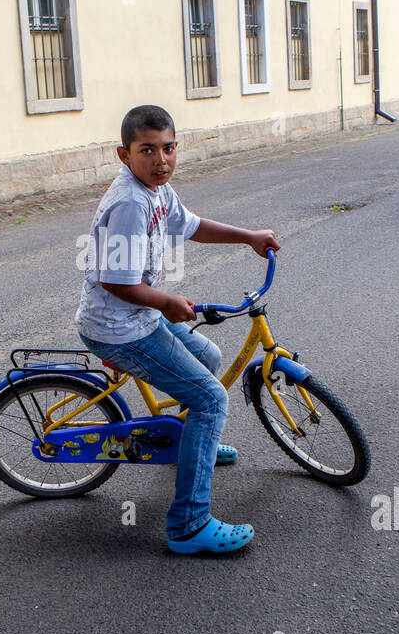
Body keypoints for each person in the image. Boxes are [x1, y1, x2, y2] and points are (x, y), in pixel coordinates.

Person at [74, 104, 280, 555]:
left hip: (136, 319)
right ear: (124, 155)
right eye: (147, 150)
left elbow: (191, 226)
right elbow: (116, 280)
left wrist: (247, 236)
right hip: (119, 329)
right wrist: (166, 301)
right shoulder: (130, 201)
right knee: (210, 398)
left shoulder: (158, 191)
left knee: (207, 357)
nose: (161, 159)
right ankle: (188, 525)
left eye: (168, 148)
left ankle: (191, 444)